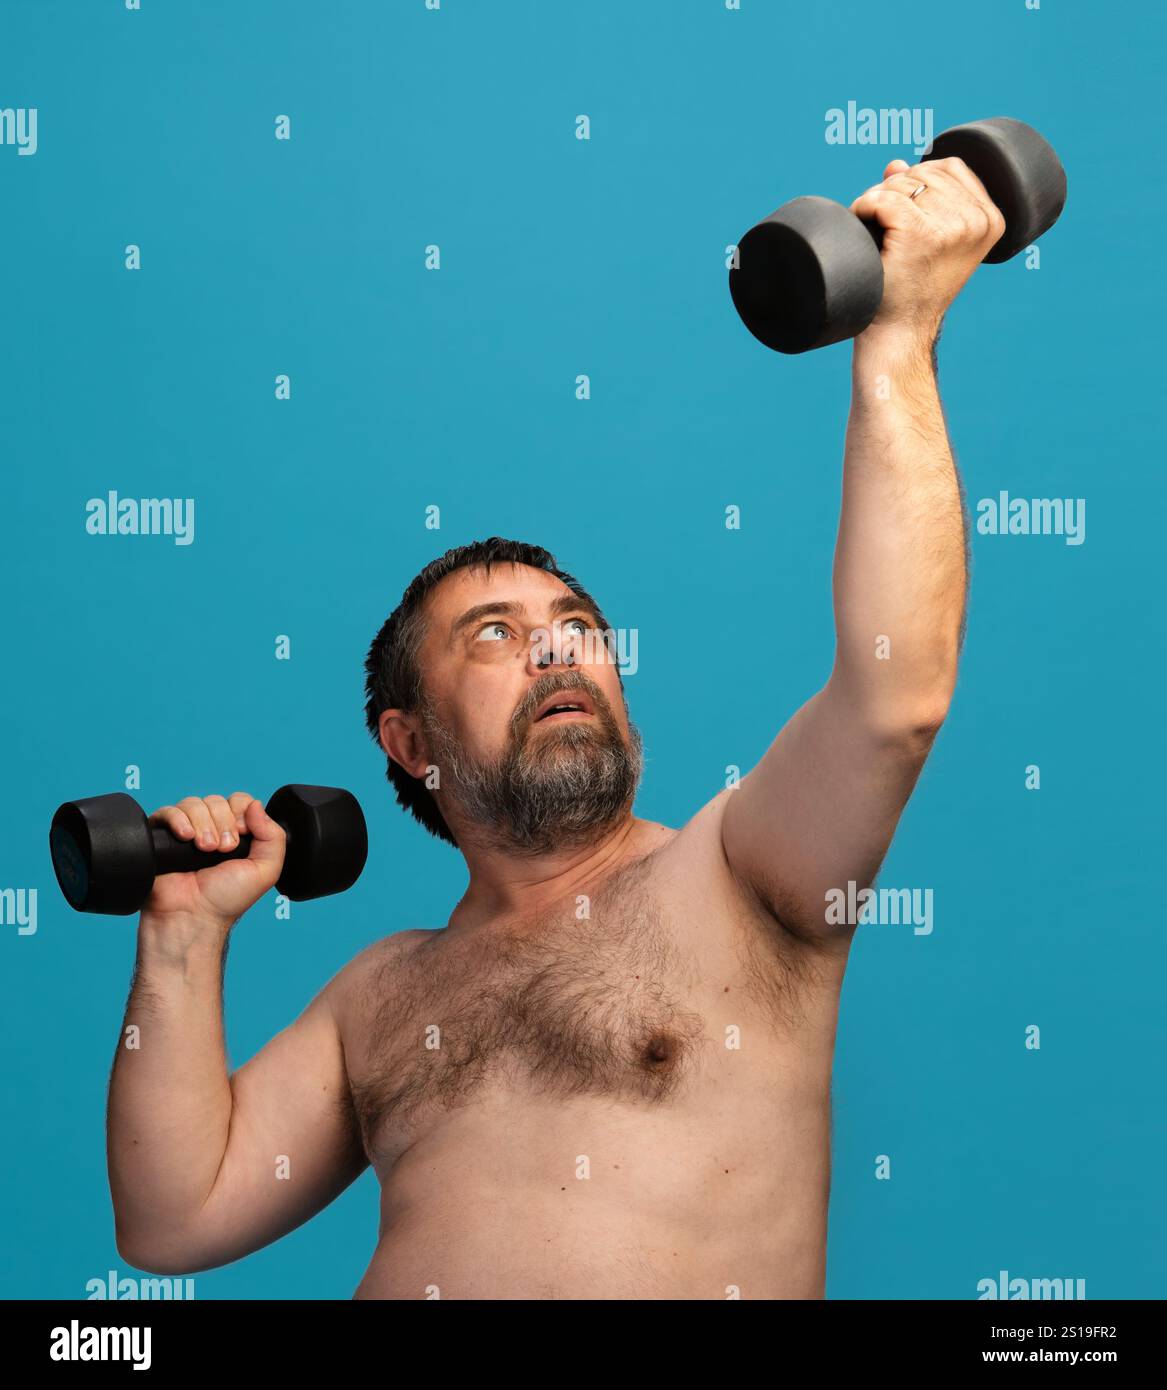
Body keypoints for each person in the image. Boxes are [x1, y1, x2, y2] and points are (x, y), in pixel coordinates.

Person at [108, 155, 1003, 1299]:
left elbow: (897, 695)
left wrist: (897, 339)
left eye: (576, 623)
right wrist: (180, 938)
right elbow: (172, 1219)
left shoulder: (738, 874)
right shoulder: (380, 993)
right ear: (409, 742)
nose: (555, 646)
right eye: (492, 634)